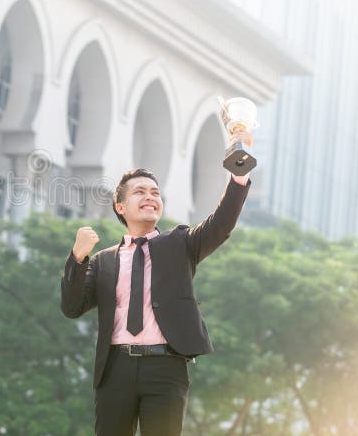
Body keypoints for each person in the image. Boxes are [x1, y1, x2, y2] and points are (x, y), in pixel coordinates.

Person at [61, 133, 253, 436]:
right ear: (120, 207)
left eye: (154, 192)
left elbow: (220, 224)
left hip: (165, 368)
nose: (150, 196)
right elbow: (72, 308)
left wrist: (239, 174)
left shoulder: (180, 244)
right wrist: (77, 258)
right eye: (139, 192)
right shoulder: (103, 261)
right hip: (115, 370)